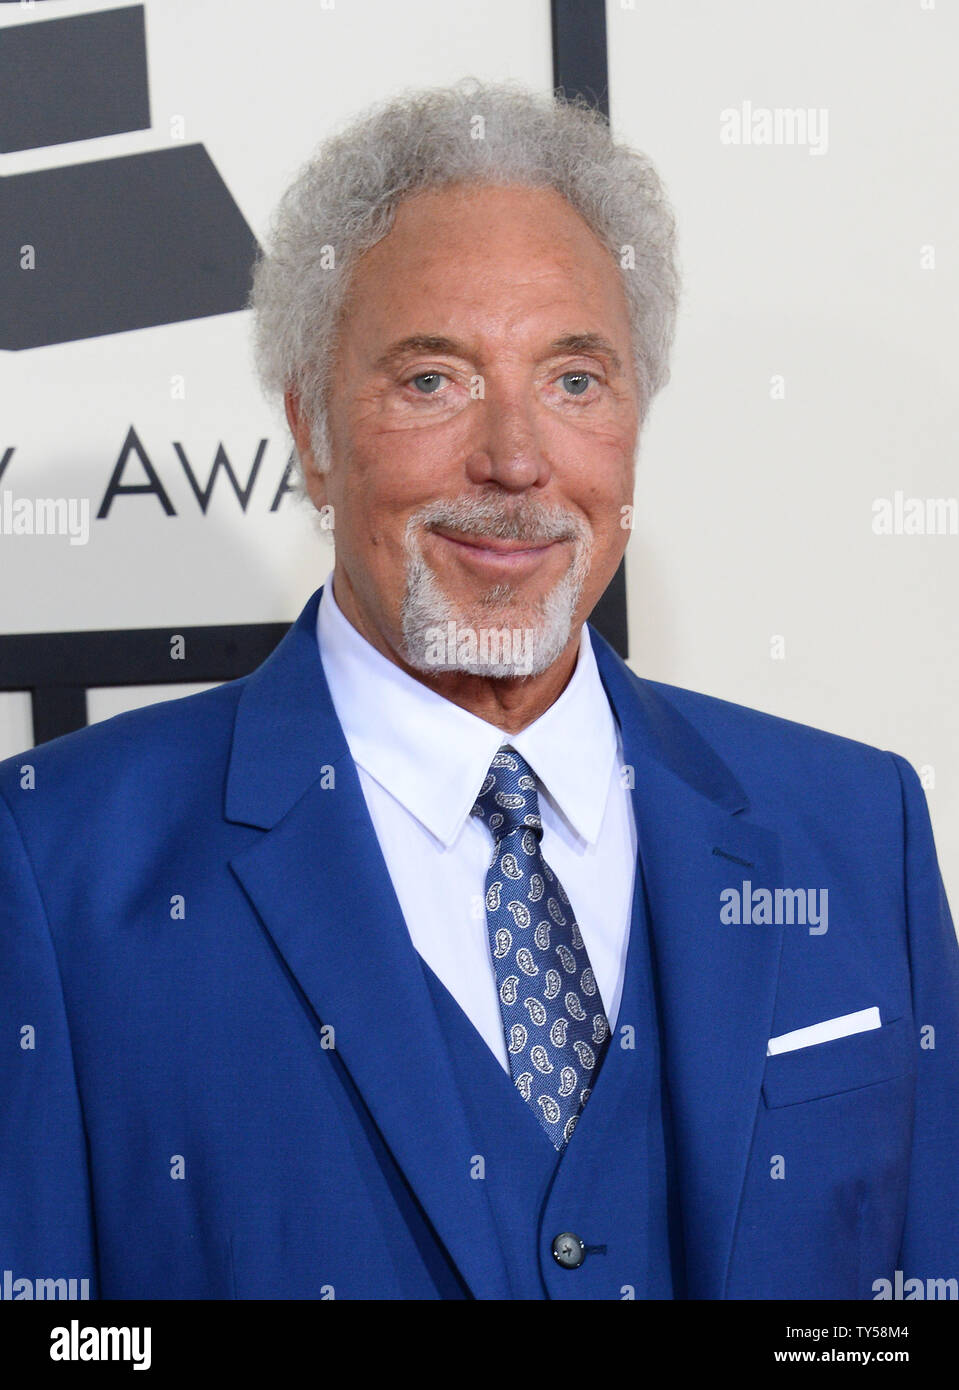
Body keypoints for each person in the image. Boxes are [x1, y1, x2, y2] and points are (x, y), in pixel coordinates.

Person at [1, 79, 956, 1301]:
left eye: (572, 380)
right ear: (311, 434)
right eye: (431, 380)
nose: (514, 459)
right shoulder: (59, 866)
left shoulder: (849, 829)